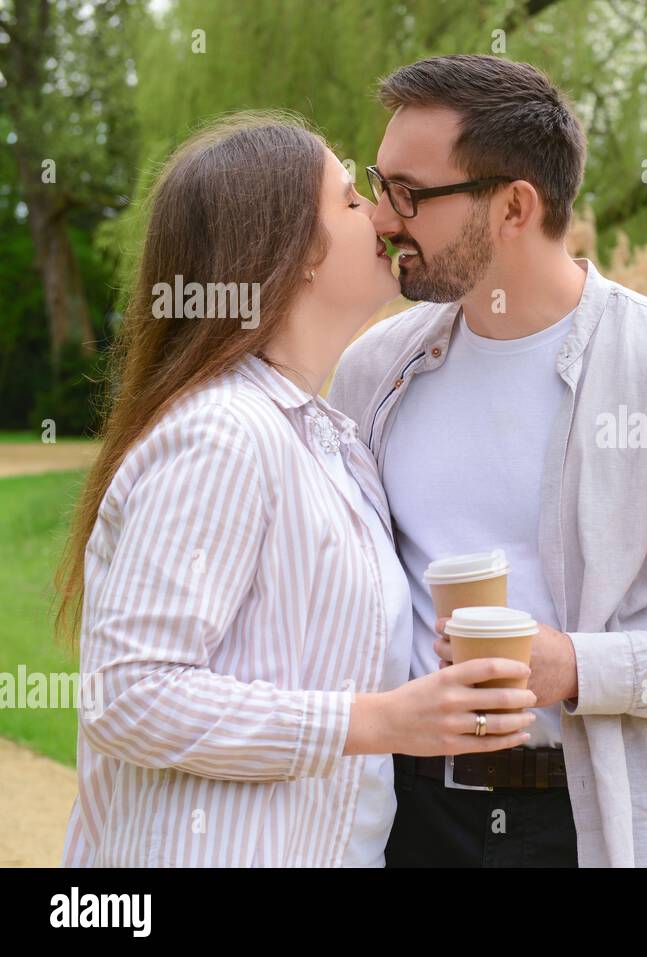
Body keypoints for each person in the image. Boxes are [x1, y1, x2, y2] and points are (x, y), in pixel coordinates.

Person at [328, 55, 647, 868]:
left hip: (591, 824)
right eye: (378, 185)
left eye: (408, 194)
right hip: (398, 817)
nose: (381, 218)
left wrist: (579, 668)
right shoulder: (373, 370)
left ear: (514, 205)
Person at [54, 112, 535, 868]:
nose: (381, 215)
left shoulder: (326, 439)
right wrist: (381, 720)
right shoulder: (223, 435)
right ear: (291, 252)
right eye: (349, 200)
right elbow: (131, 694)